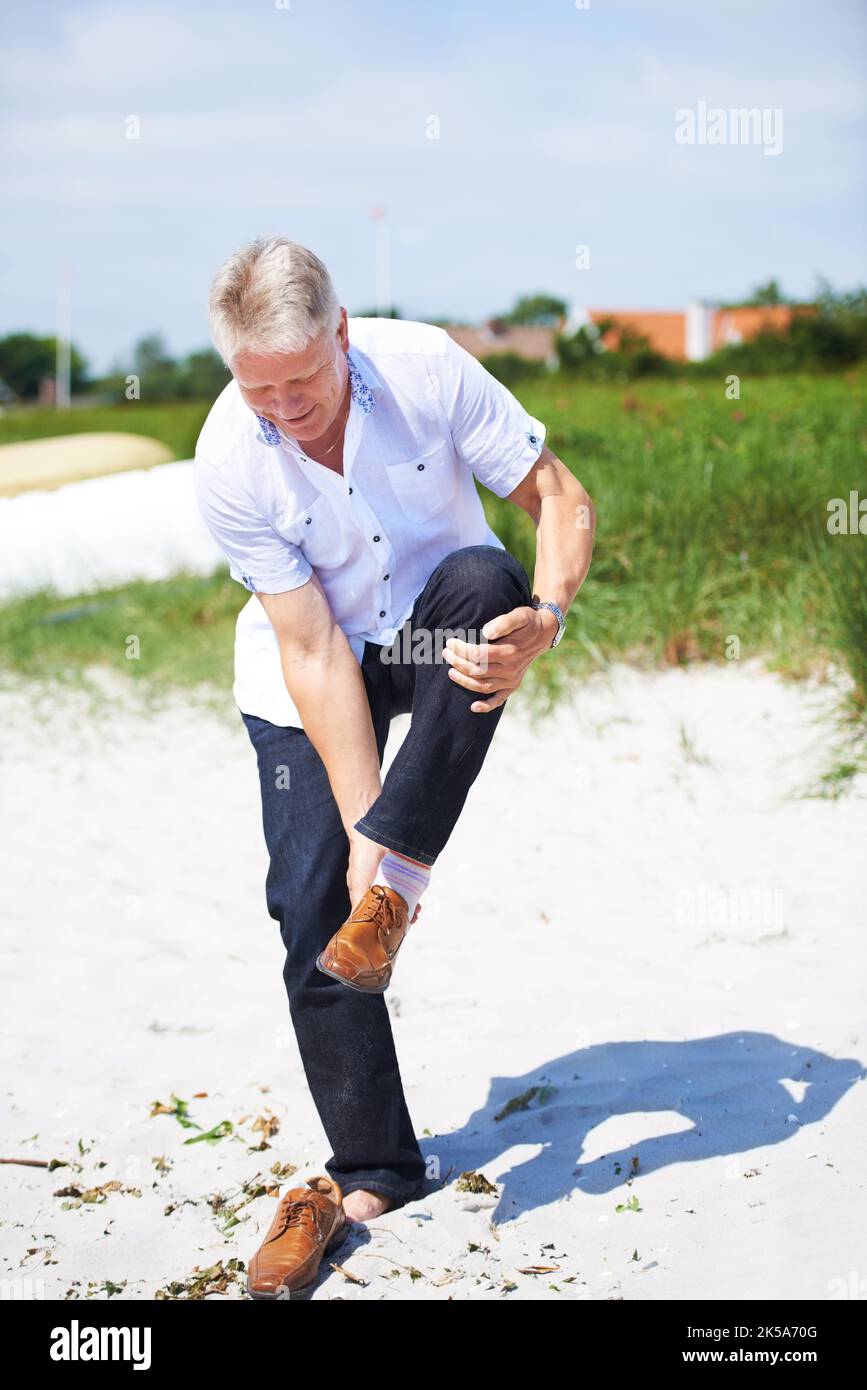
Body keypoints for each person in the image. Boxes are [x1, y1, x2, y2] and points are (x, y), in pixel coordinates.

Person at [194, 236, 596, 1298]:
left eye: (302, 379)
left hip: (435, 631)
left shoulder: (425, 368)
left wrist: (547, 619)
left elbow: (559, 498)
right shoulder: (228, 457)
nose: (285, 408)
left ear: (341, 332)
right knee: (309, 903)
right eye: (258, 388)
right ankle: (373, 1168)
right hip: (308, 668)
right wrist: (362, 825)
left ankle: (400, 887)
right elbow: (313, 650)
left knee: (485, 576)